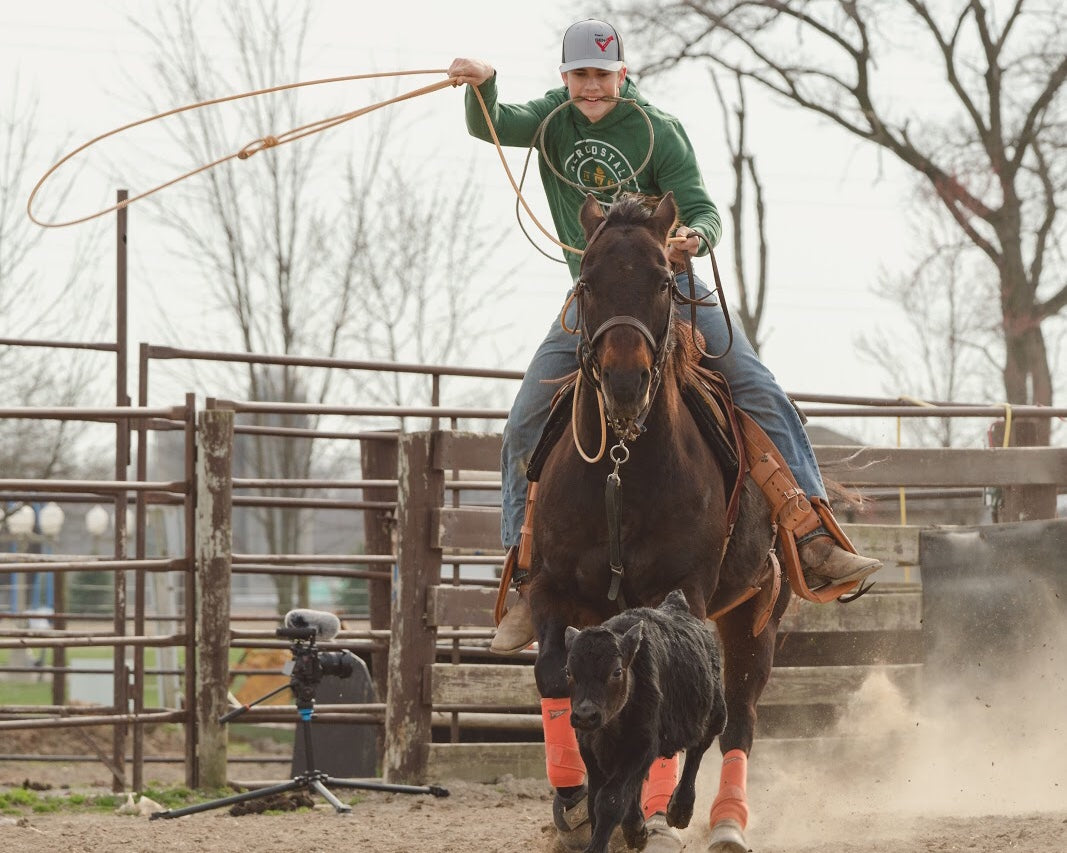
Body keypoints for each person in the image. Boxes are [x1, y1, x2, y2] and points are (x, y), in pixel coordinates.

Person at [448, 19, 881, 656]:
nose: (591, 87)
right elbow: (492, 123)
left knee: (757, 386)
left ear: (622, 75)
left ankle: (811, 531)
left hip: (668, 291)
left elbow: (701, 206)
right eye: (579, 76)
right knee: (522, 422)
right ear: (564, 79)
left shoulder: (659, 131)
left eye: (602, 75)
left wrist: (693, 238)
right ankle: (525, 572)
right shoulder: (550, 120)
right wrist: (483, 85)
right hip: (595, 298)